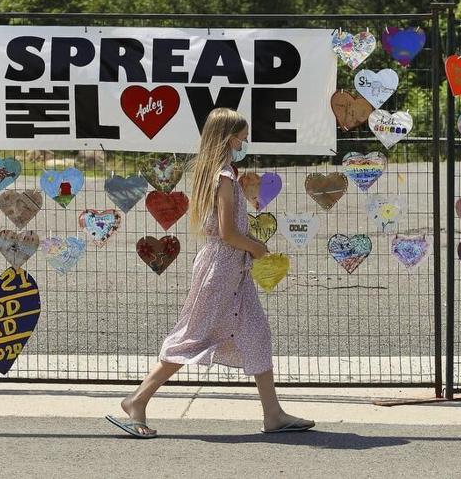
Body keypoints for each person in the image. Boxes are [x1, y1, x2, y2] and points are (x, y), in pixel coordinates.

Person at [106, 108, 315, 438]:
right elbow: (227, 232)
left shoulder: (217, 172)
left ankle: (273, 414)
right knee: (193, 337)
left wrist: (249, 247)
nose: (245, 142)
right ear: (229, 138)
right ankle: (137, 399)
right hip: (222, 268)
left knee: (257, 333)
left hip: (233, 270)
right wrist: (257, 248)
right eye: (242, 137)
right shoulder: (224, 177)